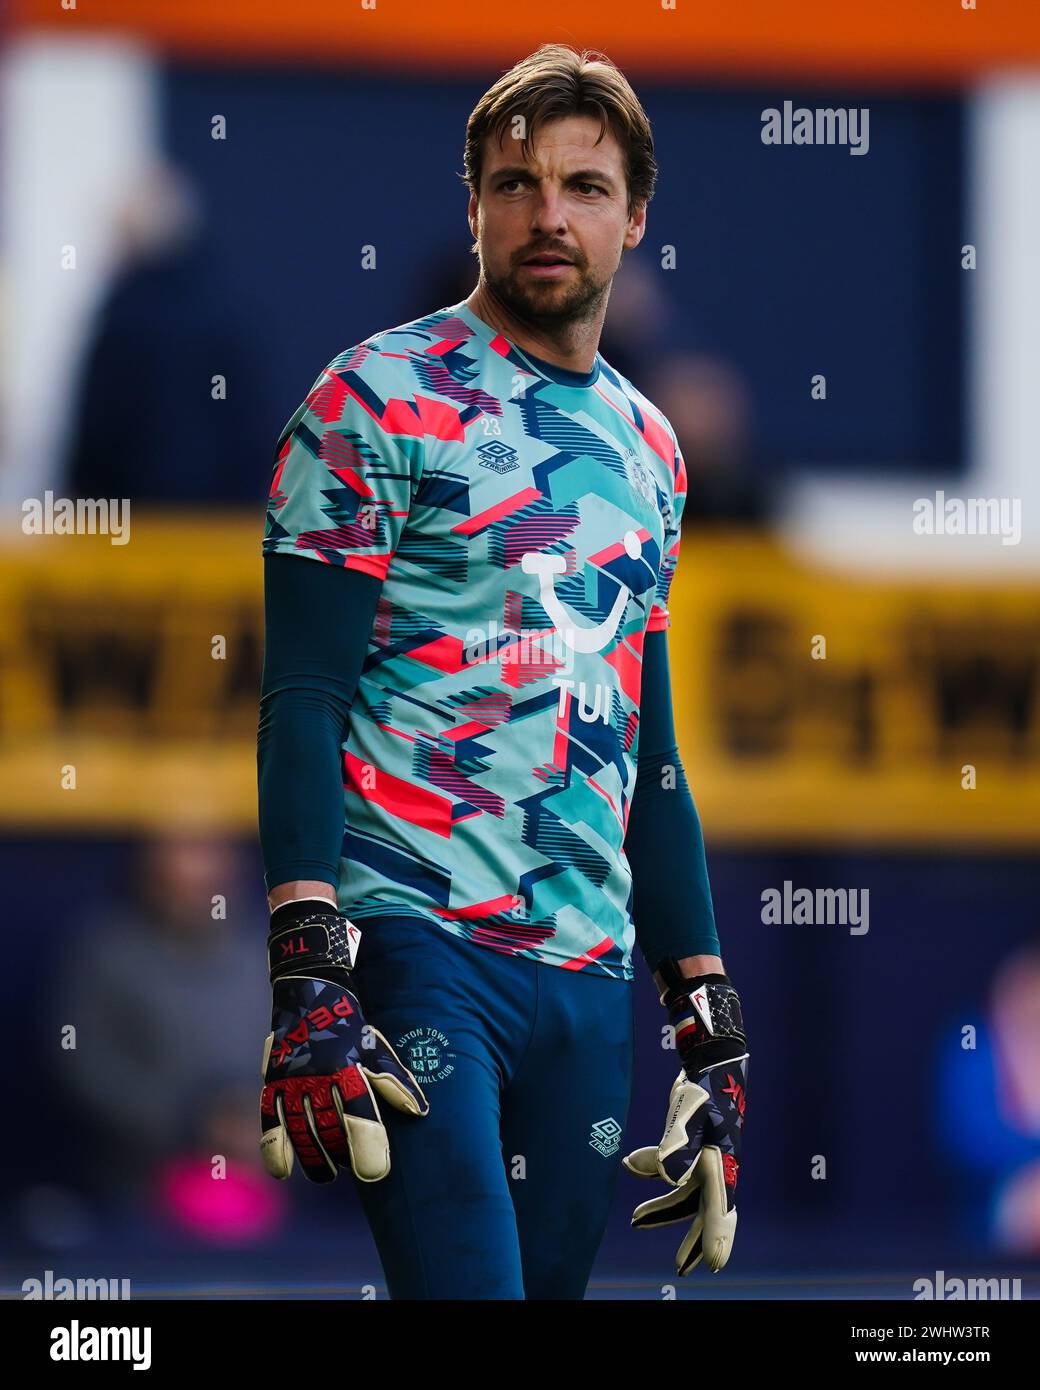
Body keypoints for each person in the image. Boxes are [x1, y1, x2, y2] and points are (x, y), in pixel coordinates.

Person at [256, 43, 749, 1300]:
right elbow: (303, 695)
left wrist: (702, 1008)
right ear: (471, 204)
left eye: (582, 188)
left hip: (585, 977)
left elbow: (647, 748)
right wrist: (308, 957)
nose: (546, 214)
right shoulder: (373, 395)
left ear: (635, 218)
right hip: (416, 942)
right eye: (513, 183)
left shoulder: (650, 448)